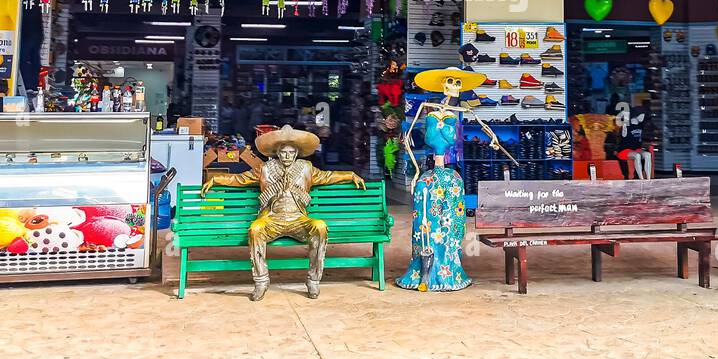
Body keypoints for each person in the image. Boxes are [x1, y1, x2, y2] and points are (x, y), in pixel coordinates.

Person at [200, 125, 365, 300]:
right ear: (277, 152)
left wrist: (350, 175)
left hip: (298, 220)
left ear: (296, 153)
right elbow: (240, 179)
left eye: (291, 152)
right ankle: (261, 281)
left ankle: (313, 280)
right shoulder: (265, 169)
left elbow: (328, 176)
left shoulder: (306, 168)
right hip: (272, 220)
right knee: (255, 229)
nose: (287, 156)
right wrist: (216, 178)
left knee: (320, 227)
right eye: (283, 152)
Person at [397, 66, 518, 292]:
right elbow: (410, 136)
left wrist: (494, 140)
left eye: (458, 83)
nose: (454, 87)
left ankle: (448, 266)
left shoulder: (461, 110)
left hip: (448, 178)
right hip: (430, 175)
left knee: (452, 223)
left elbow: (482, 125)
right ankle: (424, 269)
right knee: (425, 221)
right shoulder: (428, 107)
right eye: (451, 82)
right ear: (443, 83)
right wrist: (414, 172)